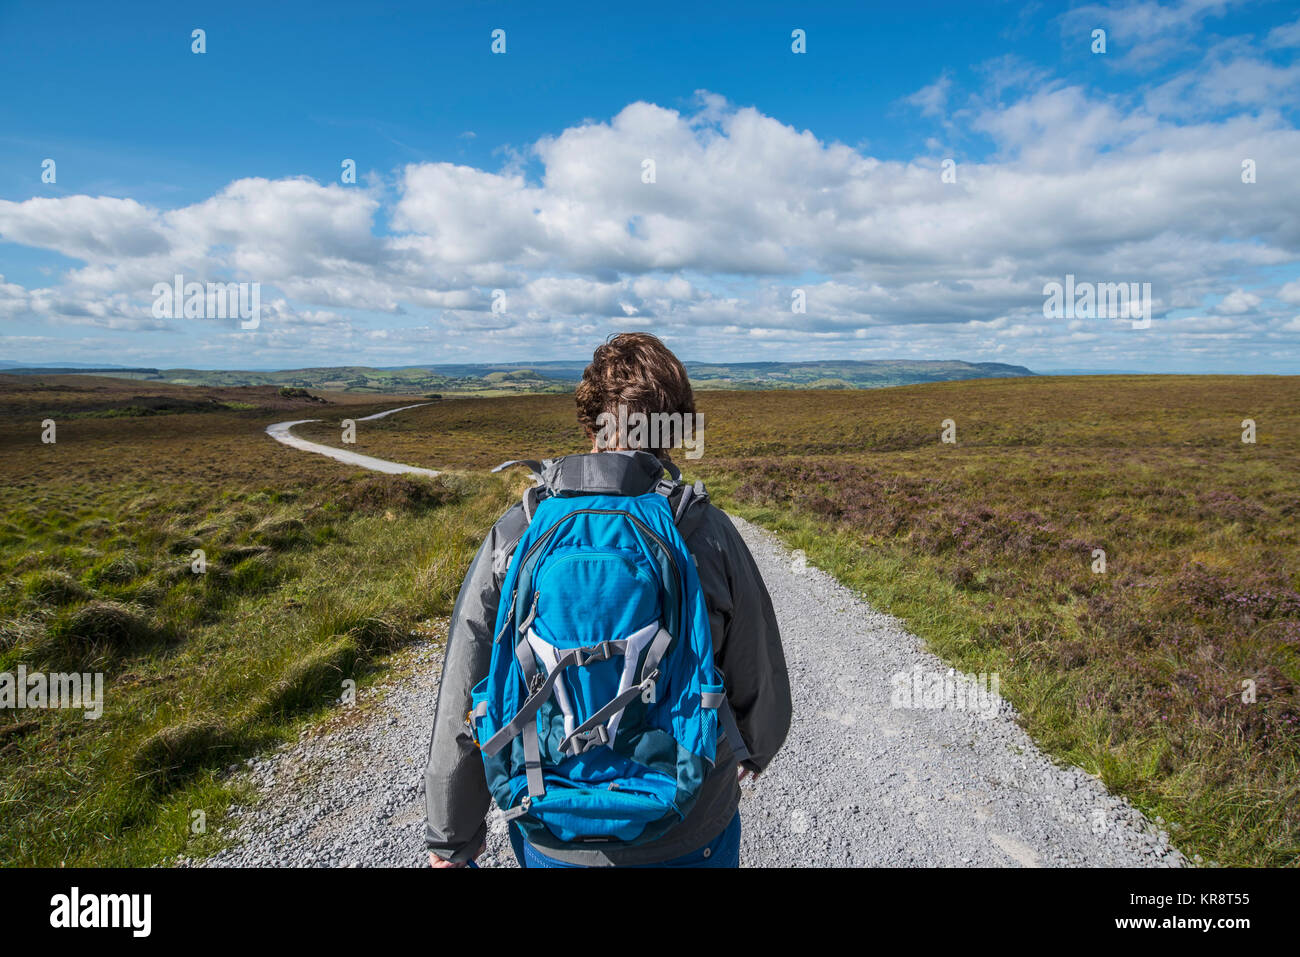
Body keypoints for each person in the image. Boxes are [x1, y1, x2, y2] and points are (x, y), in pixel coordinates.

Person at [424, 332, 791, 867]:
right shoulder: (704, 532)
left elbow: (466, 684)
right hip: (688, 824)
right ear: (675, 428)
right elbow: (757, 667)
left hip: (551, 824)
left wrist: (452, 837)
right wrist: (754, 748)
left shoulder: (519, 532)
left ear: (591, 421)